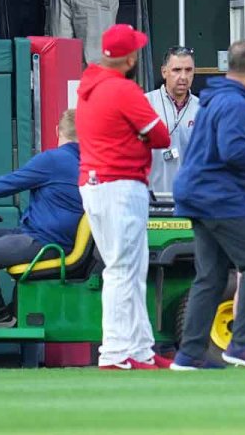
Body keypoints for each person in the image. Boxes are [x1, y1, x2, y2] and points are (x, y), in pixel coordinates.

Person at [171, 40, 245, 371]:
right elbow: (233, 151)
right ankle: (243, 345)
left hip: (196, 193)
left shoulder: (215, 98)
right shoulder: (235, 103)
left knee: (212, 275)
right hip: (218, 196)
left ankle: (190, 352)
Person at [76, 24, 172, 370]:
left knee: (132, 269)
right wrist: (138, 138)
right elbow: (161, 136)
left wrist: (135, 137)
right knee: (121, 269)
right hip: (118, 184)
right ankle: (116, 353)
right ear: (130, 58)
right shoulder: (122, 89)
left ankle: (140, 349)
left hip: (99, 183)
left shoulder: (90, 84)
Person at [0, 109, 84, 328]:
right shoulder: (83, 162)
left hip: (47, 243)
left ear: (58, 131)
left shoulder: (54, 160)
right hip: (52, 238)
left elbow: (12, 182)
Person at [144, 46, 199, 195]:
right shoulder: (145, 104)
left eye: (188, 70)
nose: (183, 76)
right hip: (152, 197)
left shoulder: (202, 109)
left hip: (190, 197)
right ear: (164, 72)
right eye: (177, 70)